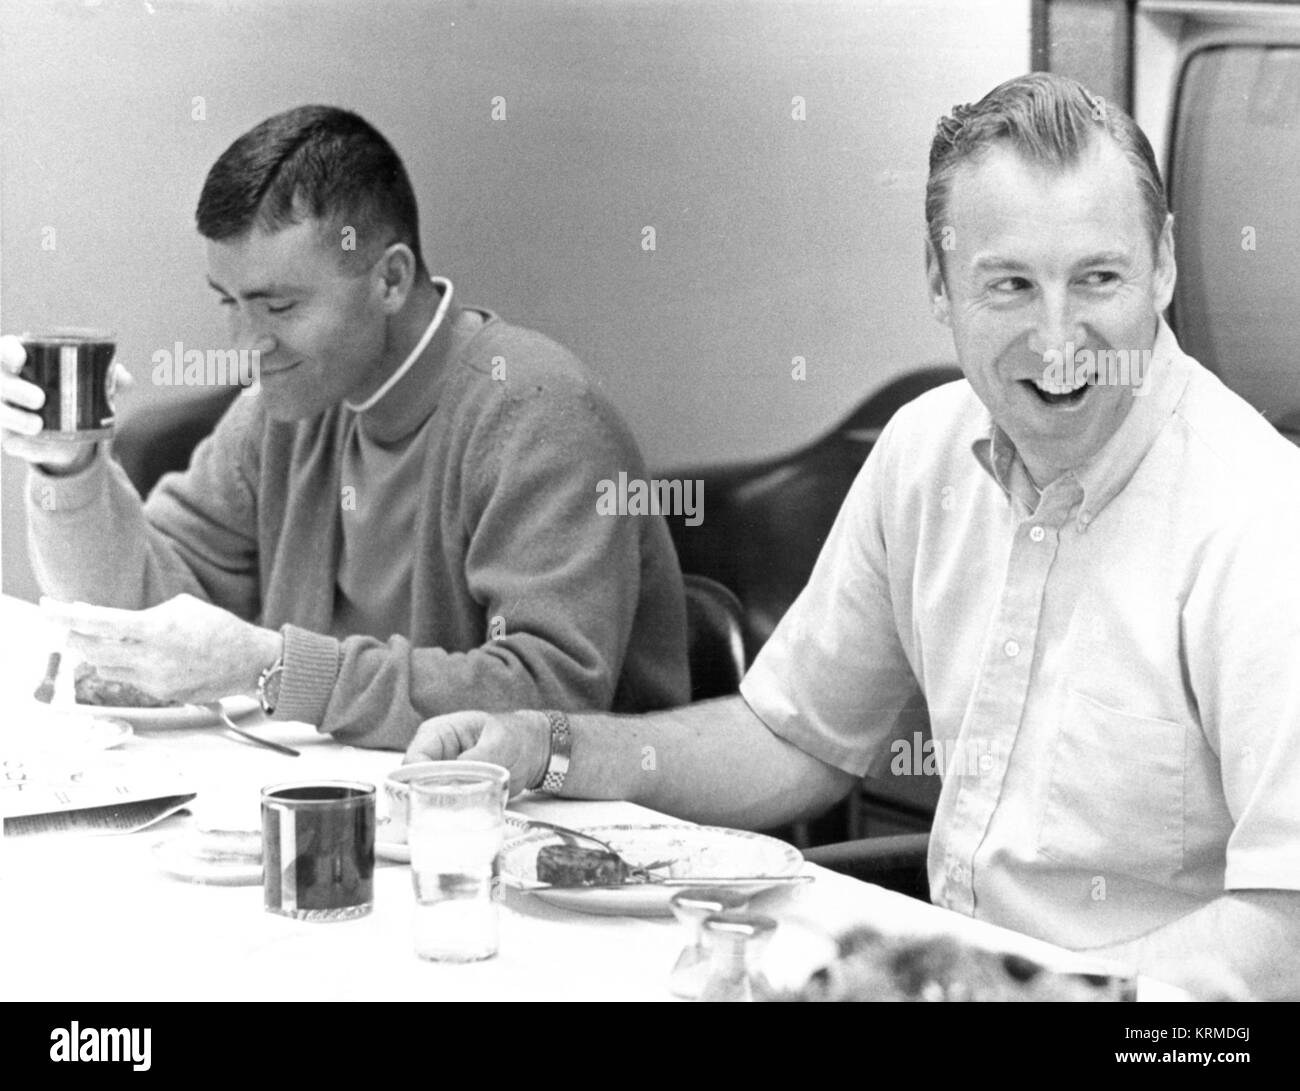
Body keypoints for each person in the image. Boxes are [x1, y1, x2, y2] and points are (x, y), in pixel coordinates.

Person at [405, 74, 1300, 998]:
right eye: (1011, 285)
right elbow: (791, 741)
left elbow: (1286, 931)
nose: (1059, 334)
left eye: (1098, 278)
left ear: (1162, 264)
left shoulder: (1263, 523)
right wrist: (545, 744)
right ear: (939, 282)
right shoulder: (925, 452)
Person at [0, 105, 689, 748]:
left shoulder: (542, 413)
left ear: (389, 280)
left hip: (569, 840)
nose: (247, 342)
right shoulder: (288, 406)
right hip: (358, 804)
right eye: (229, 303)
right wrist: (72, 470)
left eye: (279, 305)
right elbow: (140, 614)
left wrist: (274, 668)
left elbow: (549, 700)